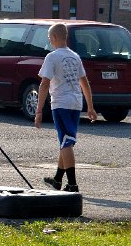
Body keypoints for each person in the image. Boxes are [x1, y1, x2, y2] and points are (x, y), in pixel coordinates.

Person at [35, 23, 97, 192]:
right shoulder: (75, 56)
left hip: (60, 103)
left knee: (66, 143)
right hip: (76, 103)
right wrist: (90, 106)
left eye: (49, 39)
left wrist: (39, 110)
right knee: (66, 141)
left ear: (54, 38)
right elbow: (84, 82)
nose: (49, 42)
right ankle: (57, 179)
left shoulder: (52, 57)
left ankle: (72, 184)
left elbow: (44, 83)